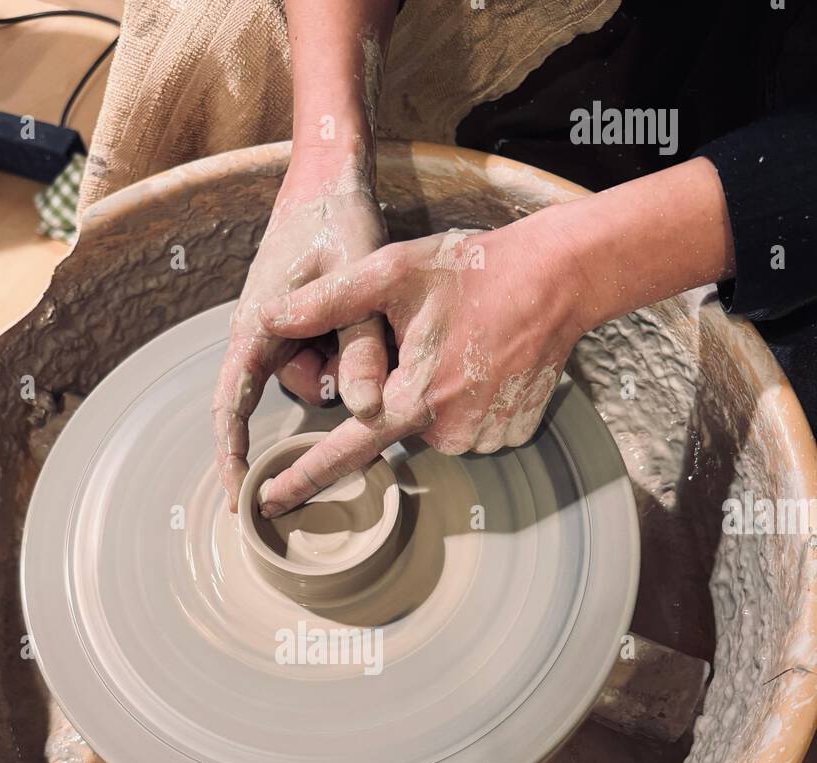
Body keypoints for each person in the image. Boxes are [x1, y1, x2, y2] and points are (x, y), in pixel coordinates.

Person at [210, 0, 817, 517]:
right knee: (222, 42)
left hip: (766, 115)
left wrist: (565, 272)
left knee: (777, 451)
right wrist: (327, 160)